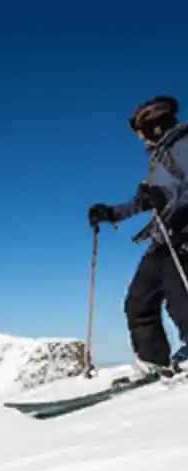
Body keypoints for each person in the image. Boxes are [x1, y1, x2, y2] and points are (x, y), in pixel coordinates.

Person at [89, 95, 188, 376]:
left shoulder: (184, 145)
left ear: (154, 123)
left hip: (183, 231)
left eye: (140, 129)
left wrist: (170, 201)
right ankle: (154, 360)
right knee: (139, 299)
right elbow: (146, 201)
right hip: (163, 236)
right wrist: (111, 213)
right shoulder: (159, 159)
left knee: (179, 292)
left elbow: (174, 194)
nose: (140, 137)